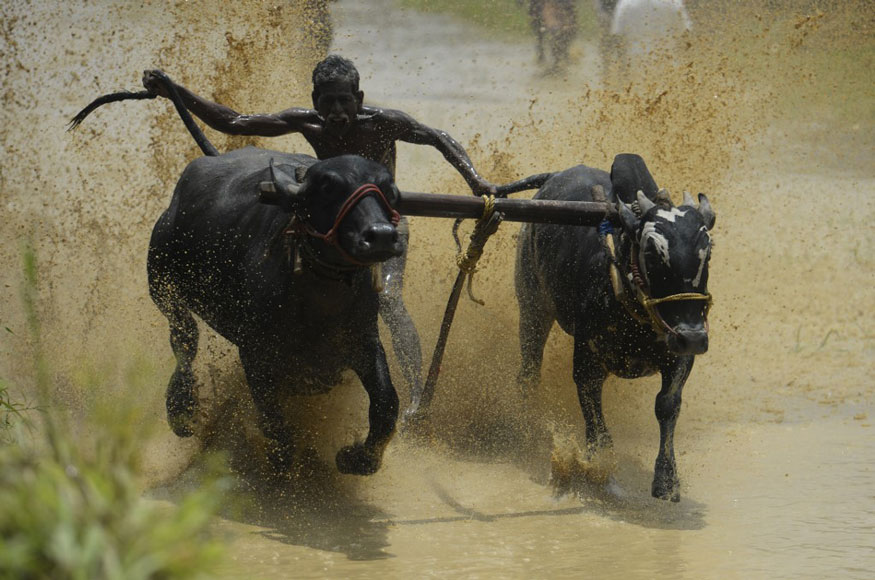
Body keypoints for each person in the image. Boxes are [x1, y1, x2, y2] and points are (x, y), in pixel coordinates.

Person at [142, 54, 497, 411]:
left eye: (345, 101)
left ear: (359, 99)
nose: (338, 111)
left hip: (380, 222)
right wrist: (177, 93)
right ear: (315, 102)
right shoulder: (308, 123)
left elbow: (439, 138)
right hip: (330, 226)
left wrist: (477, 181)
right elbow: (235, 122)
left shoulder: (384, 123)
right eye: (328, 102)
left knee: (388, 299)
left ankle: (416, 397)